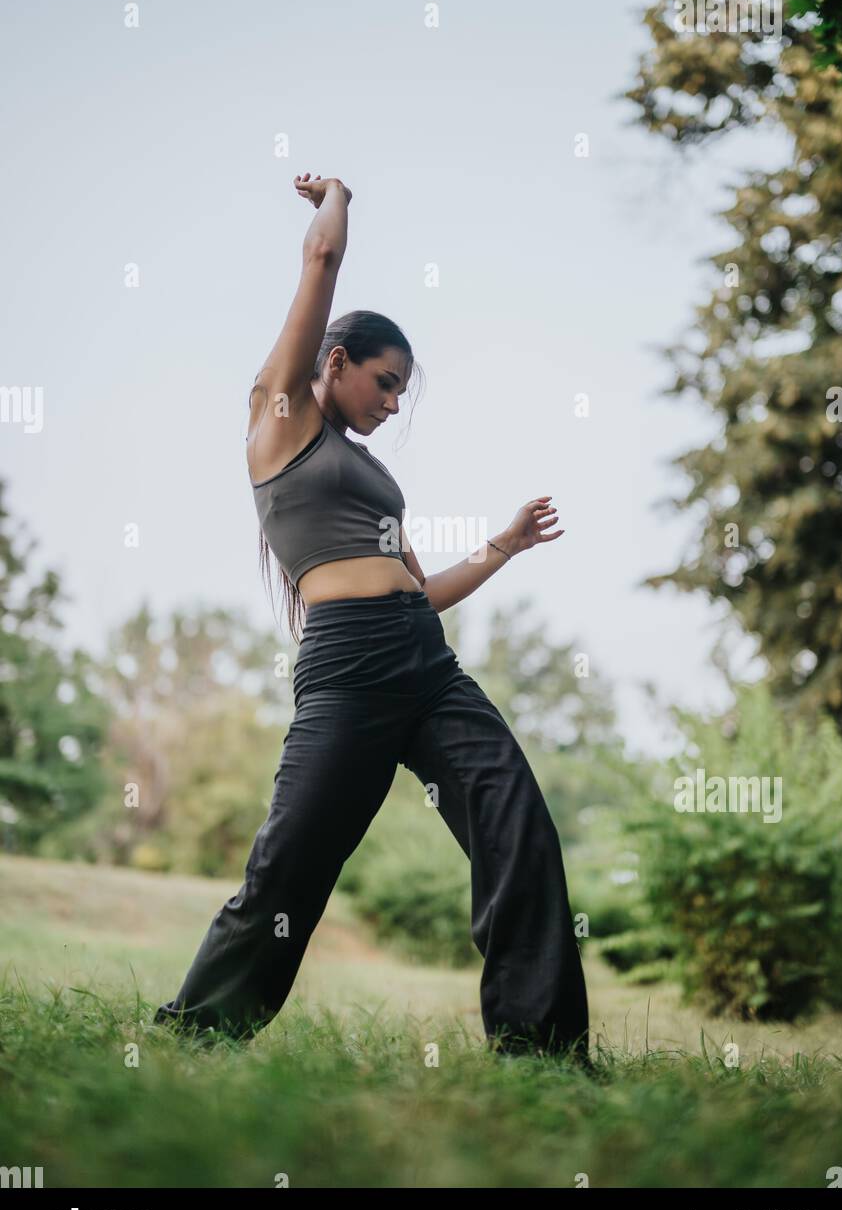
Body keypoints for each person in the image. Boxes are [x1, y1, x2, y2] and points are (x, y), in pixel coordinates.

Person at [153, 173, 591, 1067]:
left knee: (516, 821)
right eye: (385, 384)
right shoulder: (279, 420)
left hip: (423, 661)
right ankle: (197, 1030)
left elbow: (417, 590)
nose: (393, 404)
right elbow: (322, 256)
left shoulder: (375, 479)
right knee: (291, 866)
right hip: (347, 669)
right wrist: (339, 196)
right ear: (336, 360)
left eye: (401, 393)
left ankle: (541, 1052)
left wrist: (502, 546)